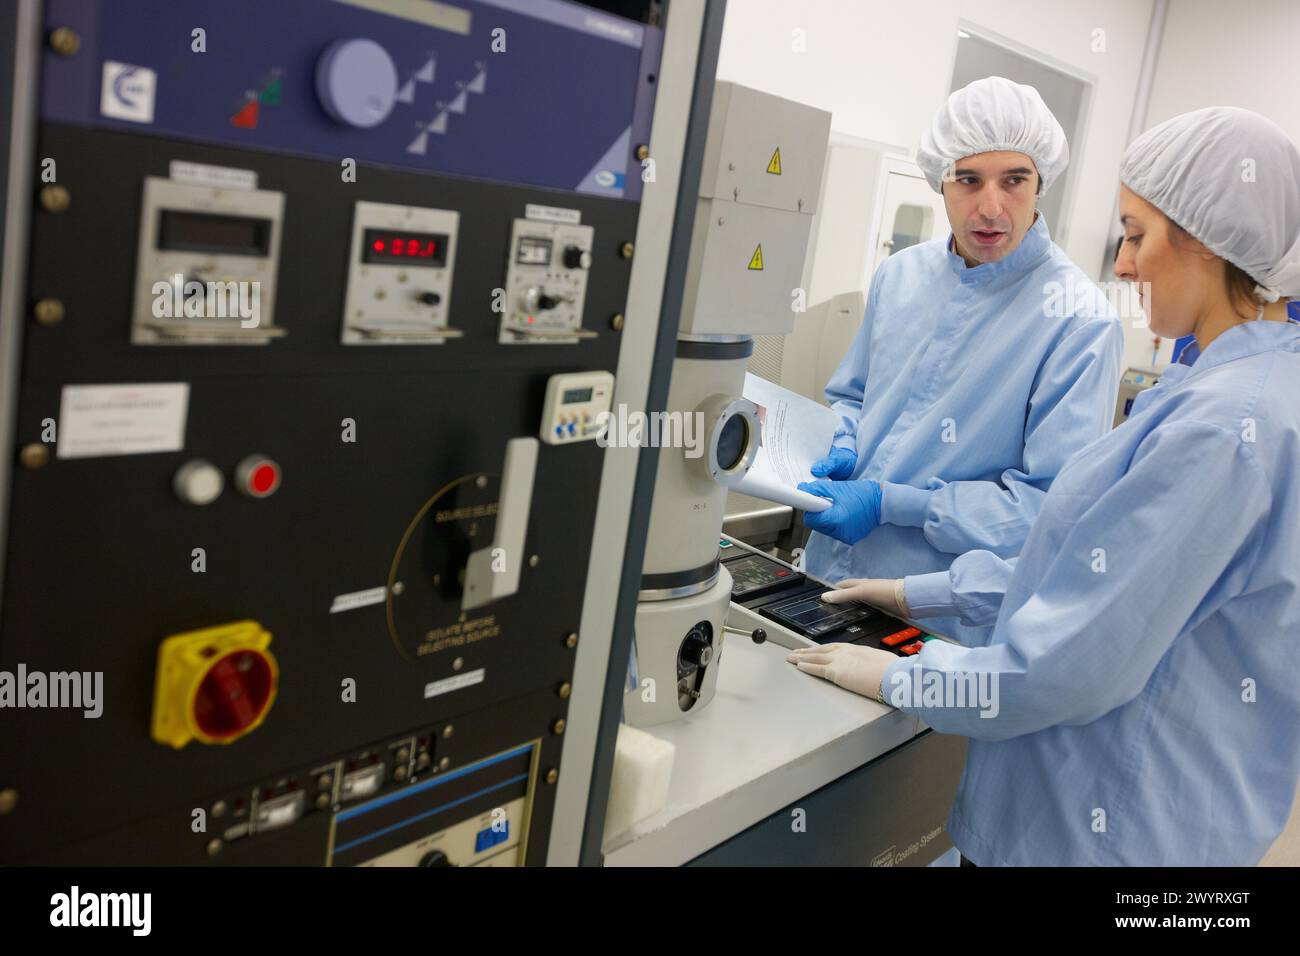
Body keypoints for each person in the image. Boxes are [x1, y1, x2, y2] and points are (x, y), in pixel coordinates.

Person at [790, 106, 1300, 866]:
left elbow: (1071, 661)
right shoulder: (1224, 386)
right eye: (966, 179)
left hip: (1109, 828)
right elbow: (1095, 566)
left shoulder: (1224, 426)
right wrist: (917, 595)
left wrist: (908, 676)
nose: (1123, 265)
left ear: (1201, 238)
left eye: (1134, 234)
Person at [798, 77, 1123, 647]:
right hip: (825, 573)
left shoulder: (1079, 320)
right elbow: (853, 393)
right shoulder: (901, 274)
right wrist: (844, 442)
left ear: (1041, 183)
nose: (991, 207)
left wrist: (891, 504)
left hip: (938, 618)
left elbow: (1045, 509)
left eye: (1014, 180)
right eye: (968, 180)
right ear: (939, 183)